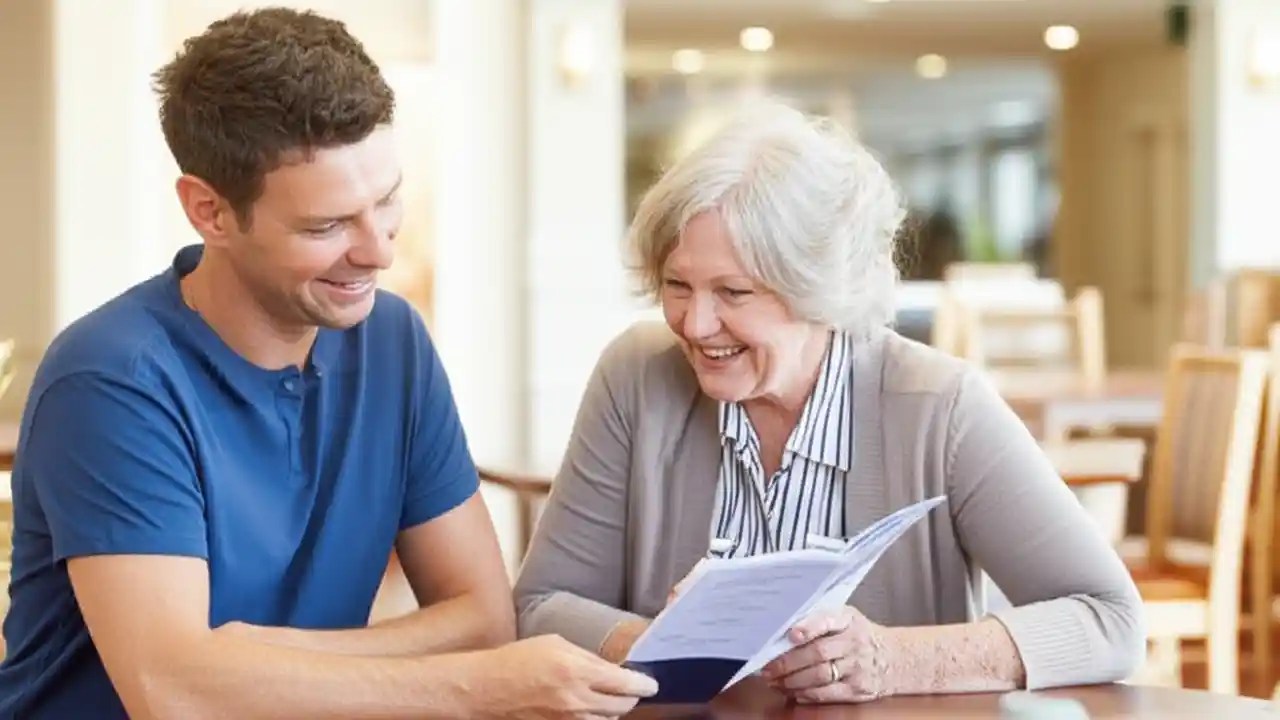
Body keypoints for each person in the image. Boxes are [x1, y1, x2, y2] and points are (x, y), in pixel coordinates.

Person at [0, 9, 654, 719]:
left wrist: (247, 656)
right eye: (328, 225)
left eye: (387, 200)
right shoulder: (111, 380)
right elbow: (176, 693)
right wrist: (481, 686)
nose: (378, 251)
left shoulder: (393, 341)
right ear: (209, 212)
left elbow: (482, 618)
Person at [513, 102, 1146, 703]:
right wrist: (659, 644)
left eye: (733, 292)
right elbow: (541, 603)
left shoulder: (940, 407)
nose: (696, 323)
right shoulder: (637, 379)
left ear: (823, 292)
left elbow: (1108, 618)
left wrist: (890, 660)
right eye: (678, 285)